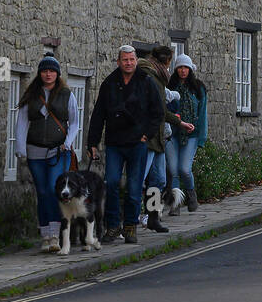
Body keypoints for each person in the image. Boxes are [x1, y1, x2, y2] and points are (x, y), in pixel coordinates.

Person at [87, 44, 162, 244]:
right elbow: (98, 114)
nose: (128, 63)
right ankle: (112, 226)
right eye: (125, 60)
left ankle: (130, 226)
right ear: (118, 61)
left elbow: (158, 112)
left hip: (137, 143)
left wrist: (147, 134)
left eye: (131, 59)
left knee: (134, 186)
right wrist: (92, 142)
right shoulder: (109, 83)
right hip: (115, 142)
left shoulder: (146, 82)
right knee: (111, 182)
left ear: (136, 60)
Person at [13, 53, 79, 252]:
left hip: (59, 150)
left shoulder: (67, 94)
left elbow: (75, 121)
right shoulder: (31, 95)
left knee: (53, 189)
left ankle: (56, 236)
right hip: (35, 150)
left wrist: (68, 142)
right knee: (42, 192)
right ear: (40, 73)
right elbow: (23, 121)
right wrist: (20, 147)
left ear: (57, 74)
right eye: (44, 71)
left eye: (52, 71)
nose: (48, 74)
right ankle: (46, 235)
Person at [136, 44, 180, 234]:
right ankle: (131, 220)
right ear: (167, 61)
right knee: (137, 180)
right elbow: (159, 109)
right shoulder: (151, 75)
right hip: (148, 137)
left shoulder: (158, 75)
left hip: (159, 137)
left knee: (159, 180)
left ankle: (152, 217)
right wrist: (178, 121)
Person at [165, 54, 206, 214]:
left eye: (185, 68)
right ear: (176, 69)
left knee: (184, 169)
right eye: (180, 67)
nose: (183, 71)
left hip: (191, 134)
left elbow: (202, 114)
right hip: (172, 133)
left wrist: (202, 136)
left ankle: (191, 194)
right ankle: (176, 203)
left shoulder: (198, 88)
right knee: (173, 170)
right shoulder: (170, 86)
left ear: (190, 69)